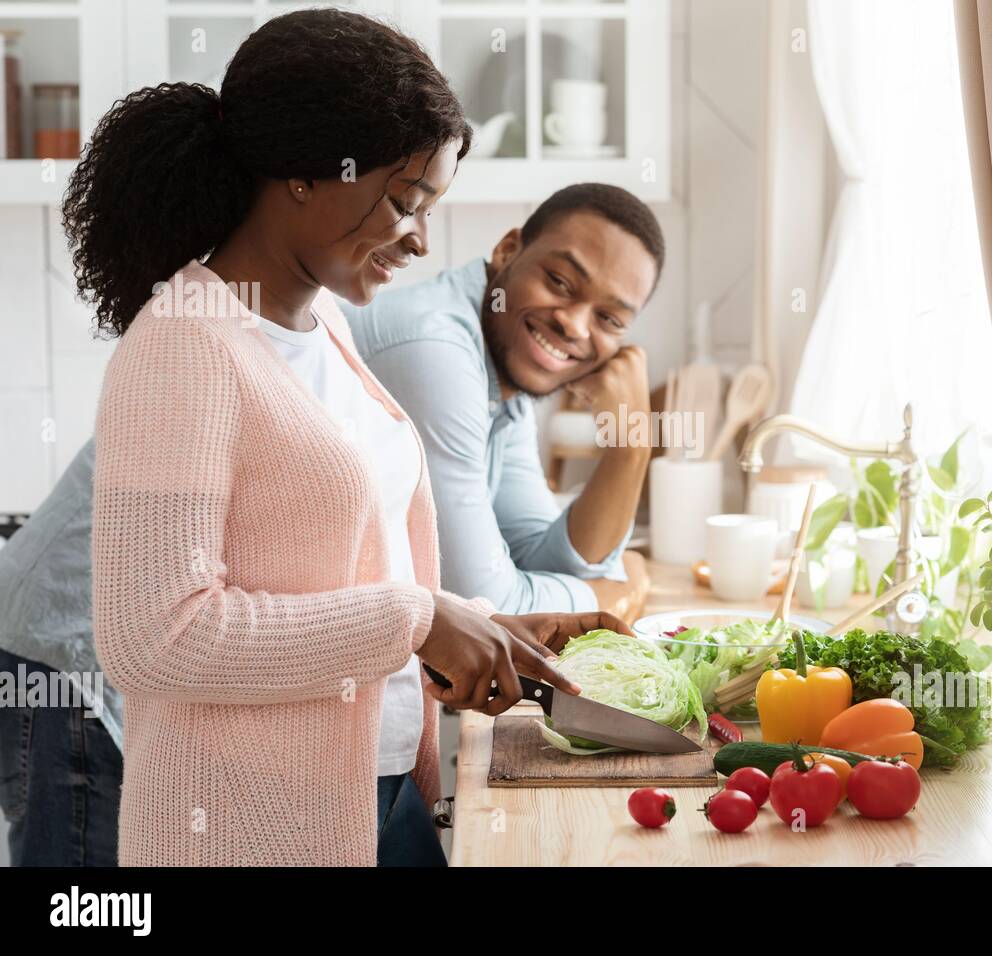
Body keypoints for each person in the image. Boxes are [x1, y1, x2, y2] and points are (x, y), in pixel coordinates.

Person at [0, 7, 624, 868]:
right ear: (303, 175)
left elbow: (332, 570)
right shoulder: (184, 346)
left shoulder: (318, 322)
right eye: (405, 202)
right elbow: (155, 636)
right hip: (248, 823)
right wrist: (415, 621)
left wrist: (491, 625)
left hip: (374, 791)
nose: (421, 239)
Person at [339, 183, 662, 623]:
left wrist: (631, 447)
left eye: (608, 318)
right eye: (560, 282)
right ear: (509, 250)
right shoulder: (434, 349)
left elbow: (540, 561)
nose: (573, 324)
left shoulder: (503, 366)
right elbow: (487, 610)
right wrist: (611, 592)